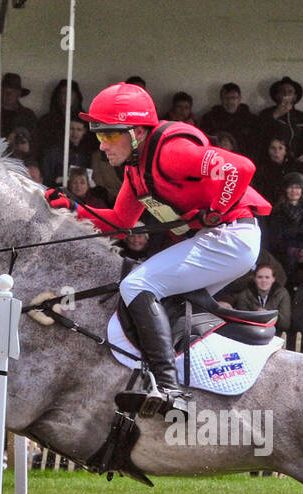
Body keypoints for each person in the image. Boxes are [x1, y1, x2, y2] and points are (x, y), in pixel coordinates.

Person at [45, 83, 270, 411]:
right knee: (164, 300)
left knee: (137, 284)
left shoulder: (170, 152)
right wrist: (74, 208)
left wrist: (219, 209)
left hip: (232, 236)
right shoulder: (137, 171)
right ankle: (185, 378)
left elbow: (240, 168)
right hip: (221, 239)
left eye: (109, 136)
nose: (103, 146)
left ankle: (169, 389)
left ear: (136, 132)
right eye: (99, 137)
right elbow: (119, 222)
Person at [198, 83, 260, 160]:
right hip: (217, 159)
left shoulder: (252, 120)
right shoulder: (209, 118)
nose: (230, 102)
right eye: (226, 98)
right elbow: (204, 141)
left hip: (244, 160)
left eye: (233, 98)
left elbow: (257, 145)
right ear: (221, 99)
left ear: (240, 99)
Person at [232, 263, 292, 334]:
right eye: (260, 277)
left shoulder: (282, 294)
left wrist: (268, 315)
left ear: (273, 279)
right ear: (254, 279)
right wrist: (256, 314)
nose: (263, 280)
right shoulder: (245, 295)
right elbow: (241, 321)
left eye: (267, 277)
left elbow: (285, 323)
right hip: (251, 334)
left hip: (276, 334)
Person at [257, 77, 303, 160]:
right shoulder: (266, 114)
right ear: (277, 96)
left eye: (290, 92)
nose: (286, 94)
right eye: (282, 91)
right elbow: (260, 135)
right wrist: (275, 115)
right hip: (272, 159)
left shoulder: (301, 117)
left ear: (294, 97)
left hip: (296, 160)